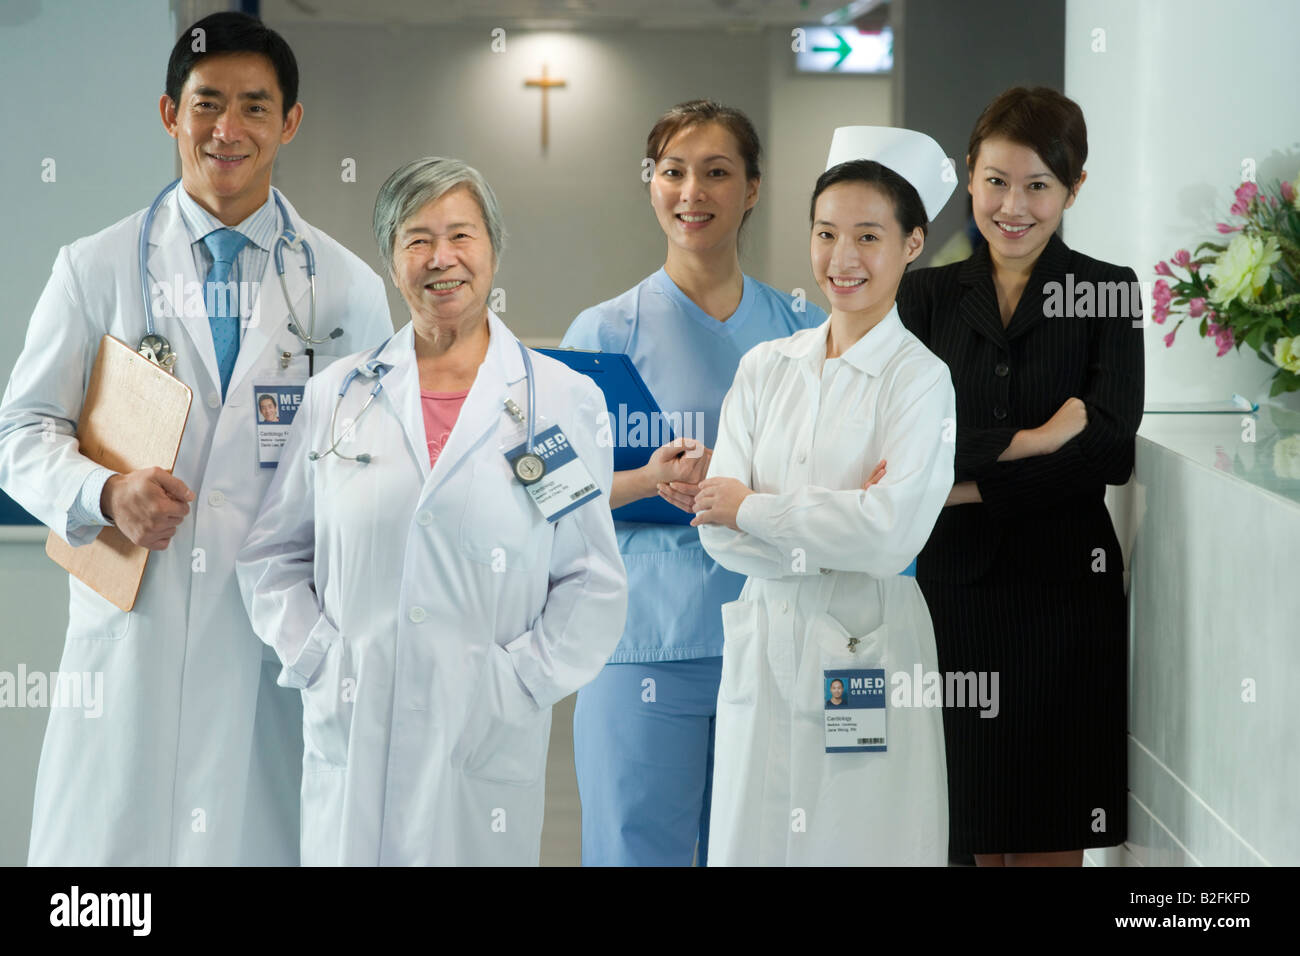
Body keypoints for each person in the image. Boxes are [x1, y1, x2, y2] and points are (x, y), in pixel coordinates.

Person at [0, 12, 392, 865]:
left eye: (255, 107)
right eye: (207, 103)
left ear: (289, 123)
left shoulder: (346, 290)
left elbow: (377, 472)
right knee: (110, 881)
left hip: (274, 641)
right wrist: (103, 493)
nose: (229, 129)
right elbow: (20, 431)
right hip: (135, 630)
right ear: (170, 113)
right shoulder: (95, 268)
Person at [237, 157, 628, 866]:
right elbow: (273, 556)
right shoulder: (338, 396)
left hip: (481, 737)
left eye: (461, 235)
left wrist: (516, 683)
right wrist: (320, 656)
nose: (440, 259)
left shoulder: (557, 401)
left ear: (493, 249)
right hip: (353, 723)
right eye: (417, 239)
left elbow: (591, 578)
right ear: (391, 262)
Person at [561, 100, 825, 867]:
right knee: (634, 847)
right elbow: (550, 492)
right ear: (650, 184)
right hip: (642, 642)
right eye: (673, 172)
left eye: (716, 173)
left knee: (759, 850)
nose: (692, 192)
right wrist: (648, 478)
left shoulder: (799, 330)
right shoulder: (603, 334)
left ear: (752, 189)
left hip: (770, 635)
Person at [696, 127, 957, 866]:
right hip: (767, 627)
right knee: (755, 837)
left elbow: (890, 537)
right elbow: (714, 529)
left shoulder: (919, 380)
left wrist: (754, 505)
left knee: (861, 840)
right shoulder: (765, 368)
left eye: (868, 236)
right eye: (826, 233)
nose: (842, 259)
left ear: (912, 245)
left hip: (866, 640)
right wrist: (831, 515)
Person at [896, 87, 1142, 867]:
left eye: (1039, 185)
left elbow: (1107, 452)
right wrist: (1037, 441)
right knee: (962, 828)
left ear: (1074, 188)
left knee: (1046, 834)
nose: (1014, 205)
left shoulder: (1108, 290)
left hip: (1065, 601)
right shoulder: (925, 297)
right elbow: (908, 448)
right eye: (997, 180)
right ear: (969, 177)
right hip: (951, 600)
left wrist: (963, 486)